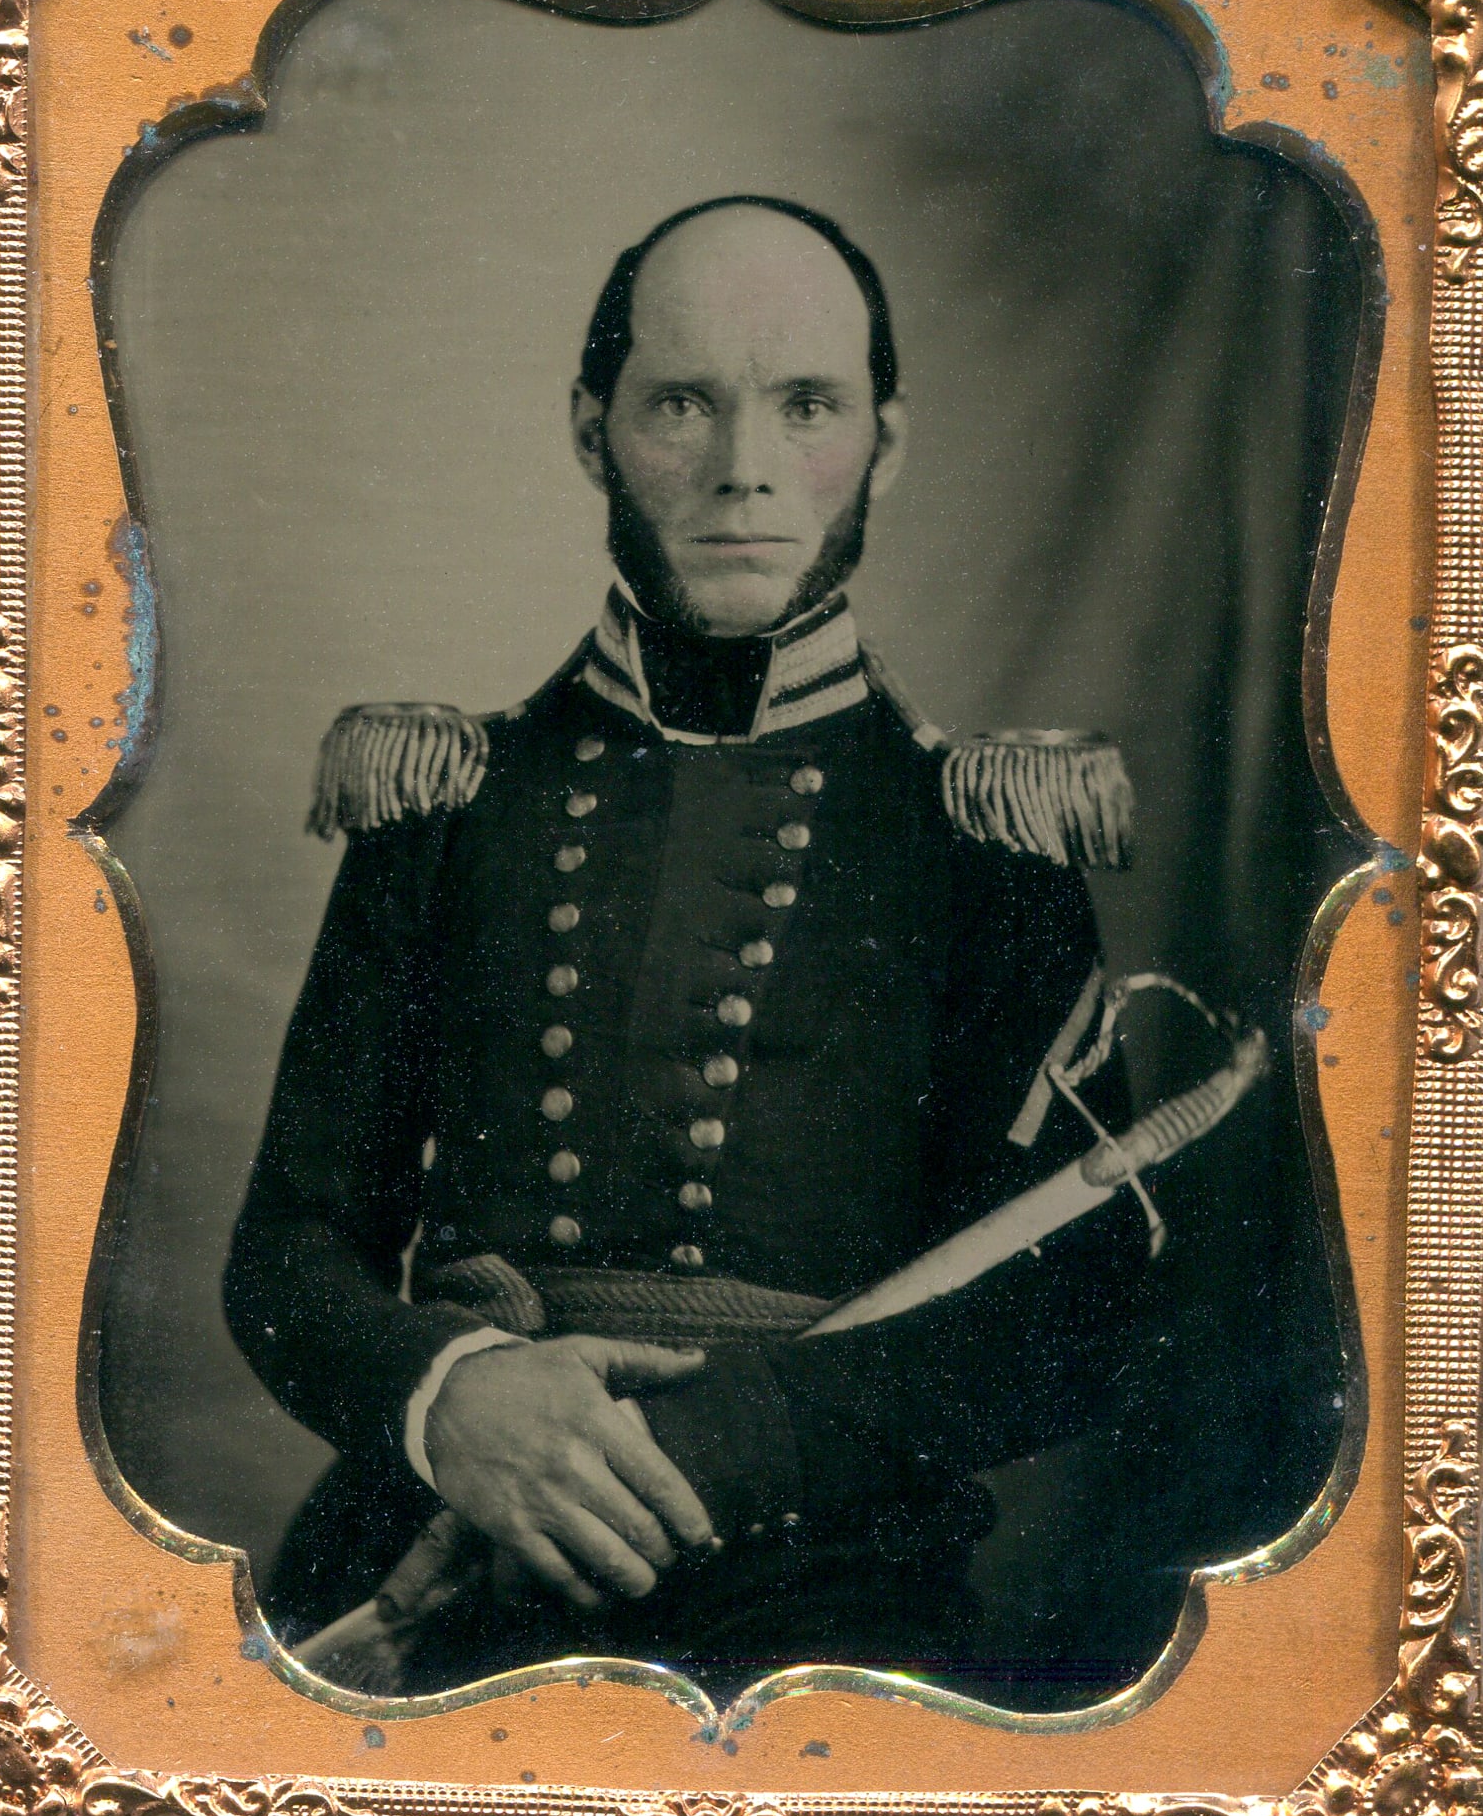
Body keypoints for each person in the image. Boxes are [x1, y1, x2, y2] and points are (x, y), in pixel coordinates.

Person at [223, 195, 1333, 1706]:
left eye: (802, 405)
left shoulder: (983, 841)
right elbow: (287, 1256)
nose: (742, 468)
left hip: (825, 1588)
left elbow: (1069, 1321)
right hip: (421, 1550)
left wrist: (734, 1431)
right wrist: (451, 1396)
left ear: (880, 439)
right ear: (589, 428)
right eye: (681, 402)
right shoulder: (441, 798)